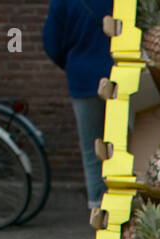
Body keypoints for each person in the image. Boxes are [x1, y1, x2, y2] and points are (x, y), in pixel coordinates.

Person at [43, 0, 115, 209]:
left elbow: (52, 44)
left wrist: (74, 64)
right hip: (120, 74)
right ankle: (131, 204)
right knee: (128, 142)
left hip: (84, 79)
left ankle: (98, 207)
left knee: (92, 148)